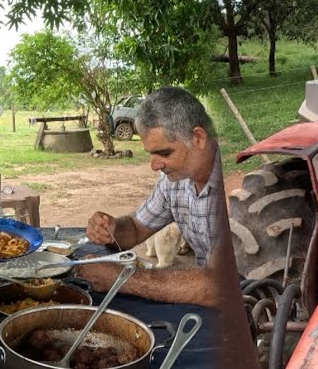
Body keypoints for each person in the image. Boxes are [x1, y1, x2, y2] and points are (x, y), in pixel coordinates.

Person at [81, 86, 228, 307]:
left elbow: (220, 286)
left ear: (198, 138)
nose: (154, 165)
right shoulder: (175, 181)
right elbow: (137, 227)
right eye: (151, 154)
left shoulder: (231, 190)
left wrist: (120, 279)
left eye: (164, 153)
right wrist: (112, 230)